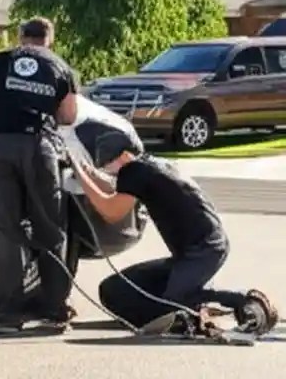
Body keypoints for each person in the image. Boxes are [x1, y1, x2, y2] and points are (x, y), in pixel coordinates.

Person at [71, 137, 278, 337]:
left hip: (204, 250)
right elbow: (113, 188)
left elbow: (111, 211)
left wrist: (80, 173)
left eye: (109, 162)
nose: (108, 168)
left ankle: (244, 301)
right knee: (113, 290)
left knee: (172, 304)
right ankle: (186, 304)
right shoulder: (149, 166)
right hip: (195, 251)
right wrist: (88, 171)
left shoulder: (133, 172)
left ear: (125, 155)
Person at [0, 16, 80, 334]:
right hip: (38, 147)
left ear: (21, 37)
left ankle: (10, 316)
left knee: (5, 230)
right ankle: (54, 312)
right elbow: (69, 115)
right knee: (49, 228)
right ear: (49, 39)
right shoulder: (60, 67)